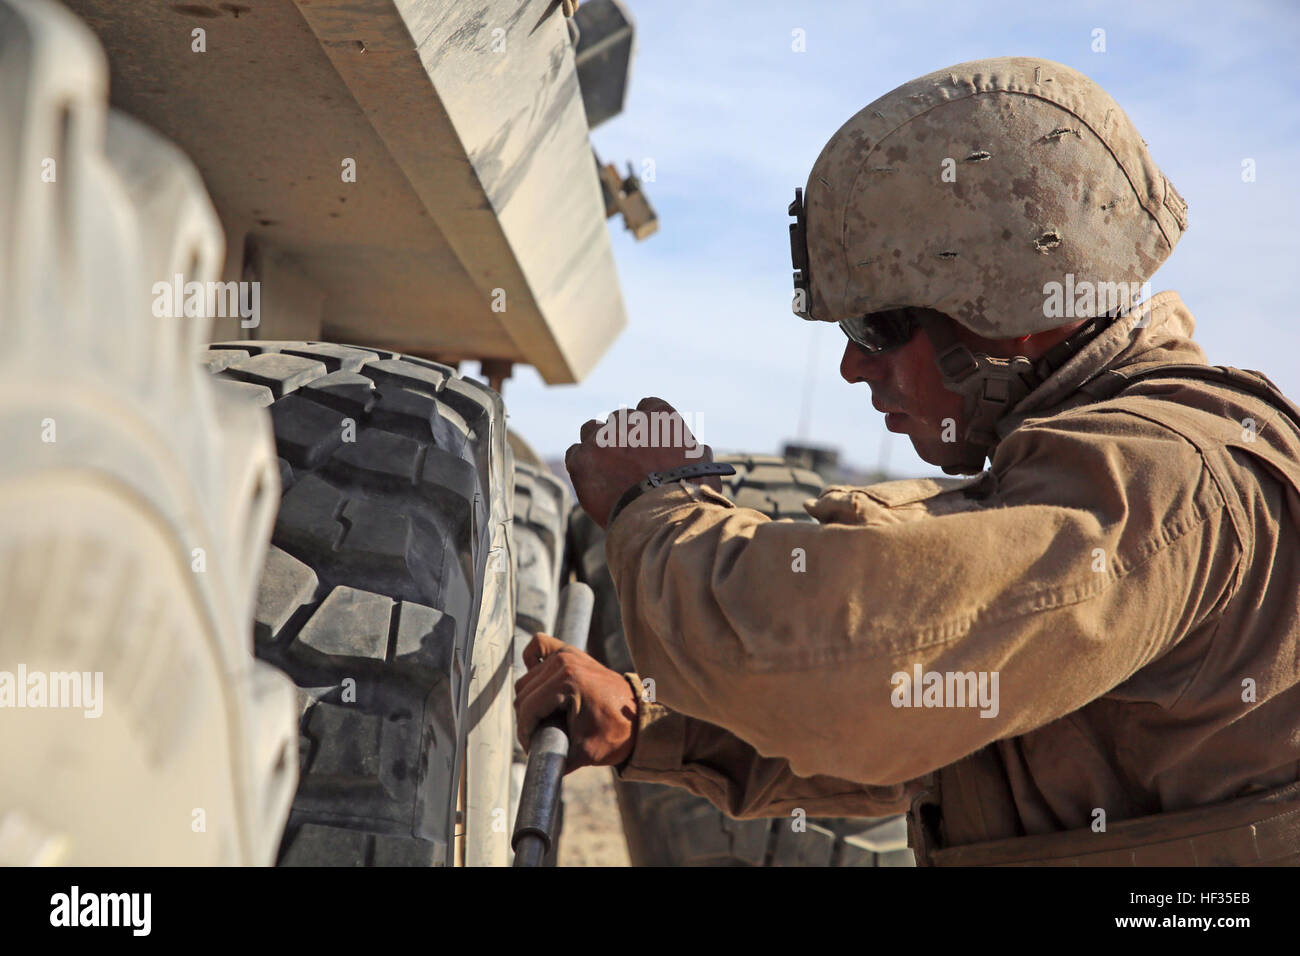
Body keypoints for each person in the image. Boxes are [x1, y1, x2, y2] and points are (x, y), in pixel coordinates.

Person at [513, 57, 1300, 865]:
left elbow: (853, 671)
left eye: (875, 329)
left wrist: (658, 498)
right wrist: (648, 726)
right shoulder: (1099, 462)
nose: (856, 367)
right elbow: (955, 738)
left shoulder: (1162, 477)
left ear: (1014, 317)